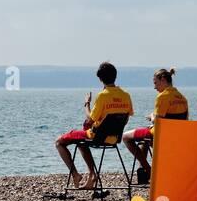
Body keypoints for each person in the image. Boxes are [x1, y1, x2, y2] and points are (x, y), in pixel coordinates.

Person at [55, 61, 133, 190]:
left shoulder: (103, 96)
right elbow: (125, 120)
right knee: (82, 139)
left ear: (100, 79)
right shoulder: (126, 95)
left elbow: (90, 120)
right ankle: (92, 175)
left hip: (97, 137)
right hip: (114, 138)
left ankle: (75, 174)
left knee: (59, 142)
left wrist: (87, 104)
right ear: (115, 76)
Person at [124, 67, 188, 183]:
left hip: (161, 135)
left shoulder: (162, 96)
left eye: (155, 83)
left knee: (126, 137)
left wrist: (152, 116)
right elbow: (184, 121)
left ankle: (149, 170)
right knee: (145, 140)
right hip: (175, 137)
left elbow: (157, 121)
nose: (154, 87)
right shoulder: (182, 98)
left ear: (163, 79)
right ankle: (142, 171)